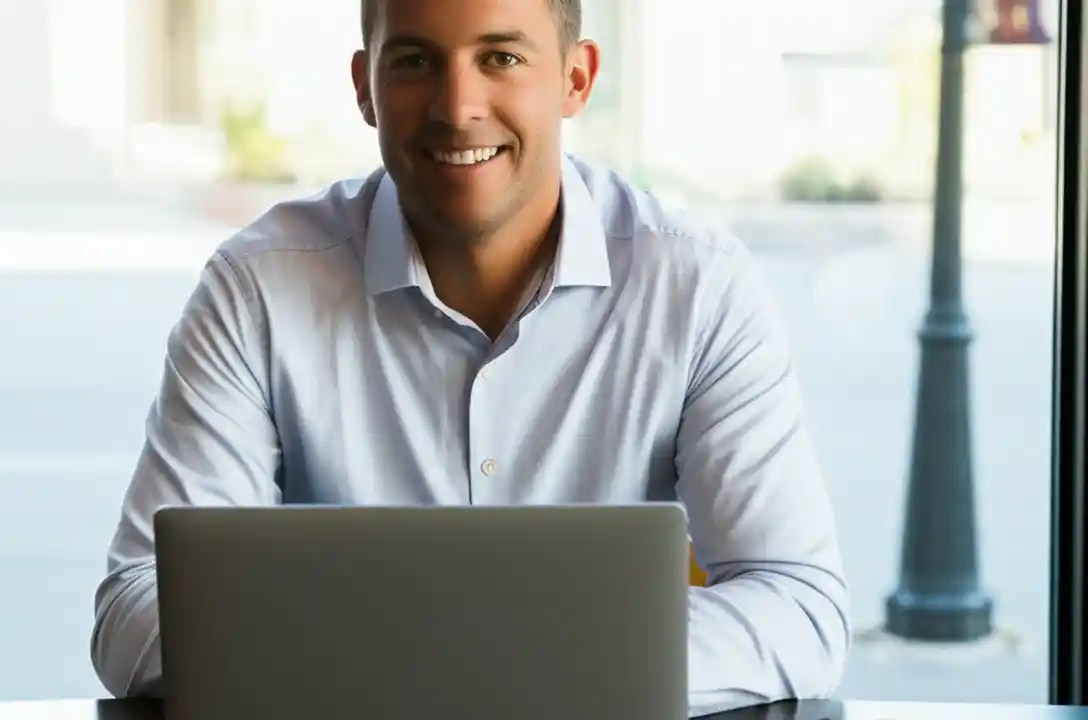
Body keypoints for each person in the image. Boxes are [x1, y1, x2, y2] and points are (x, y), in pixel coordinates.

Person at [90, 0, 850, 715]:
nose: (458, 107)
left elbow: (799, 606)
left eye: (502, 57)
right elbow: (135, 611)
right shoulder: (259, 286)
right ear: (366, 87)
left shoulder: (696, 285)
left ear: (576, 78)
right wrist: (532, 661)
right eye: (416, 61)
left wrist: (415, 661)